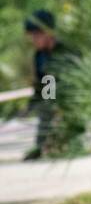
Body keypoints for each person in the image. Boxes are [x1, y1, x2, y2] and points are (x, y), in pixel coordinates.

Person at [22, 9, 63, 161]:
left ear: (48, 32)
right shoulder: (40, 56)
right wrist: (32, 105)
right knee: (46, 106)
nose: (34, 40)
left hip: (72, 96)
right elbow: (45, 86)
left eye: (36, 35)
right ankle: (41, 146)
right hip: (54, 95)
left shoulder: (65, 51)